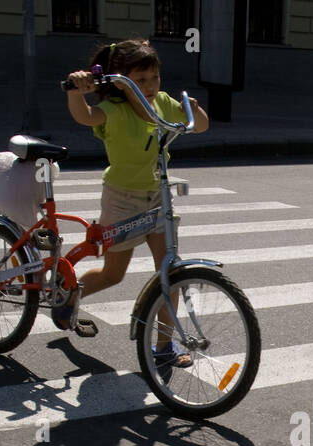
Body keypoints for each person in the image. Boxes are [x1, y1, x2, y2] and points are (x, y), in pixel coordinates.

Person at [62, 38, 210, 369]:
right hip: (122, 200)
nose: (150, 86)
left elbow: (200, 126)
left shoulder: (164, 104)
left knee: (169, 273)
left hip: (157, 197)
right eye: (140, 80)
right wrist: (75, 92)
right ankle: (69, 293)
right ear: (120, 80)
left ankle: (162, 349)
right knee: (113, 275)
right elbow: (85, 117)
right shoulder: (115, 110)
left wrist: (194, 108)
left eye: (154, 78)